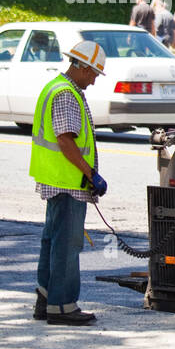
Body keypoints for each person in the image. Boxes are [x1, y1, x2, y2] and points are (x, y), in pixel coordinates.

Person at [29, 40, 109, 326]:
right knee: (66, 244)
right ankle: (62, 306)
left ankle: (46, 298)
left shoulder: (59, 88)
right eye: (94, 74)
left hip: (57, 180)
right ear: (82, 67)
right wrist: (90, 174)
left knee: (52, 240)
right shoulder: (66, 94)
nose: (95, 80)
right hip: (68, 182)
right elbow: (66, 140)